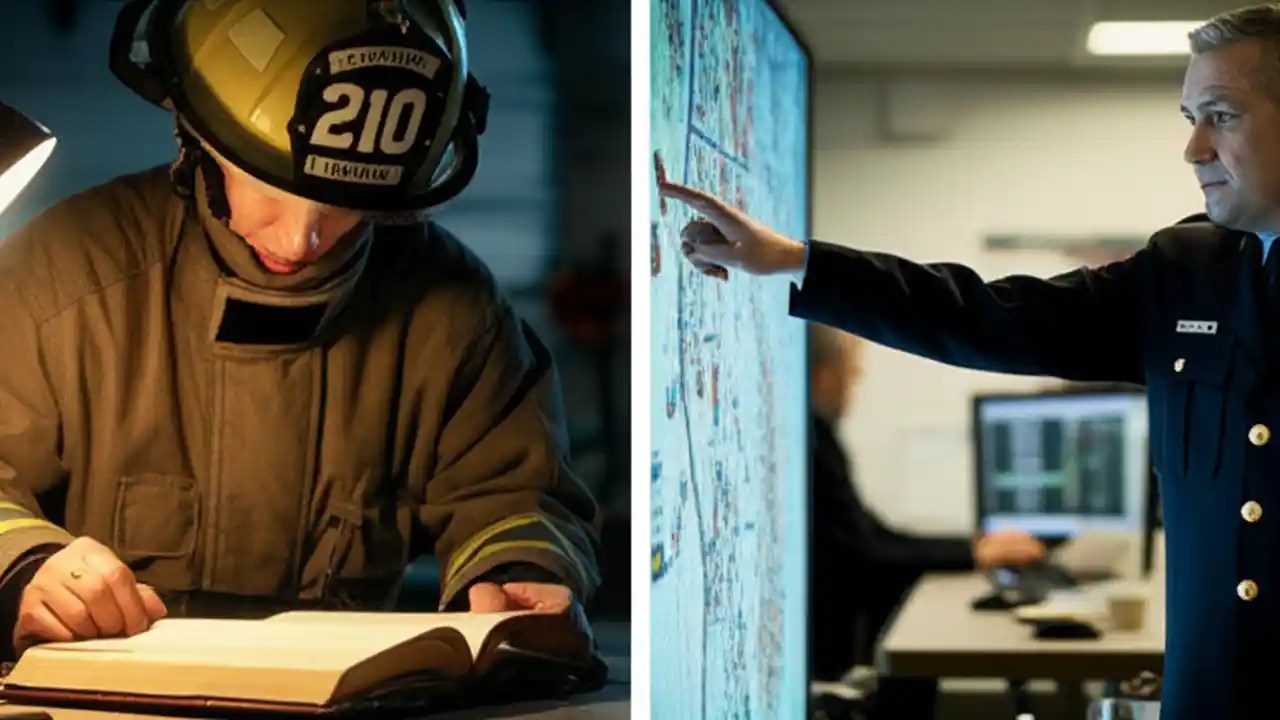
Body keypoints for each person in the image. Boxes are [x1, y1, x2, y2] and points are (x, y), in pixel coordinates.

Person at [661, 4, 1280, 717]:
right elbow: (989, 314)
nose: (1194, 148)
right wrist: (798, 262)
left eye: (1221, 116)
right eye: (1190, 119)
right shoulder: (1186, 270)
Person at [0, 0, 600, 659]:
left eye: (345, 206)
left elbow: (515, 496)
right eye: (270, 188)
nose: (301, 240)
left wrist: (518, 572)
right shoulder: (63, 274)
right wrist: (22, 566)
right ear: (197, 137)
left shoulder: (455, 316)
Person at [807, 323, 1043, 717]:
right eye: (851, 372)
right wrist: (974, 553)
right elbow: (867, 554)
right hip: (828, 666)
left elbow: (874, 535)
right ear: (823, 375)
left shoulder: (818, 438)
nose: (855, 382)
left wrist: (972, 550)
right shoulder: (811, 446)